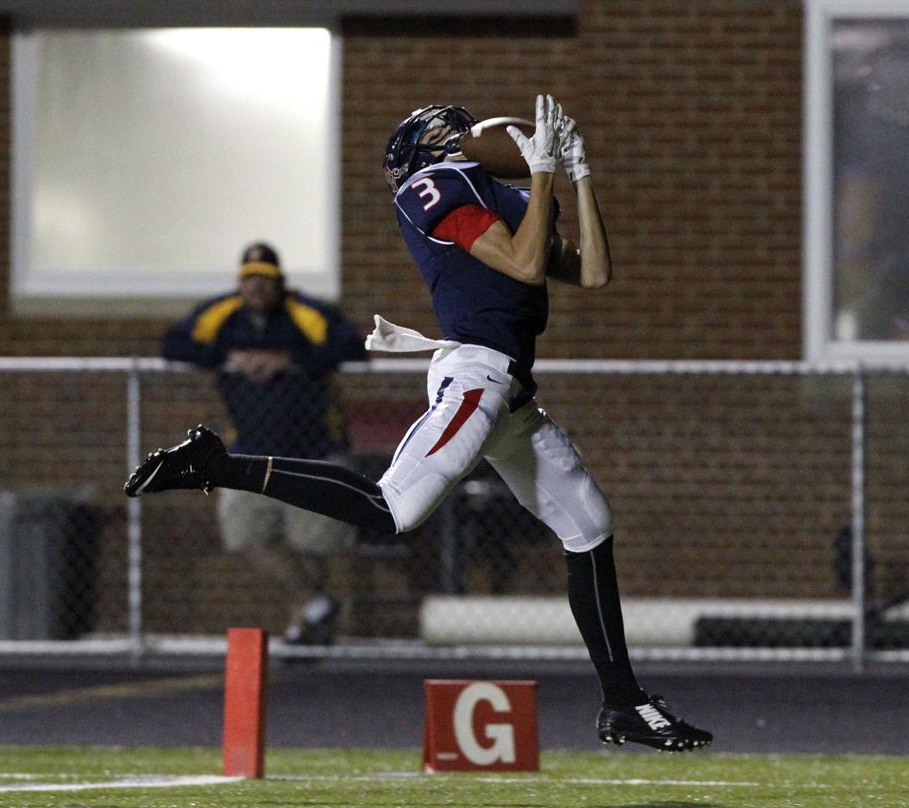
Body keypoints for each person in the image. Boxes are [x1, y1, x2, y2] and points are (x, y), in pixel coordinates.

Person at [127, 95, 714, 751]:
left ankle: (623, 703)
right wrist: (543, 171)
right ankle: (217, 464)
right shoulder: (431, 189)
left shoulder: (501, 195)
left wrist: (577, 176)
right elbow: (520, 265)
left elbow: (594, 273)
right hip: (476, 372)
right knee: (392, 509)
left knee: (589, 526)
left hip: (510, 392)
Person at [161, 242, 367, 644]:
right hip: (251, 452)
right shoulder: (223, 315)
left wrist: (286, 362)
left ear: (280, 283)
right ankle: (314, 607)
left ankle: (303, 630)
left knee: (310, 543)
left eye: (266, 280)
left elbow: (349, 347)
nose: (257, 288)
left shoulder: (305, 313)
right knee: (243, 534)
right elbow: (175, 344)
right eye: (249, 279)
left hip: (313, 451)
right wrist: (231, 356)